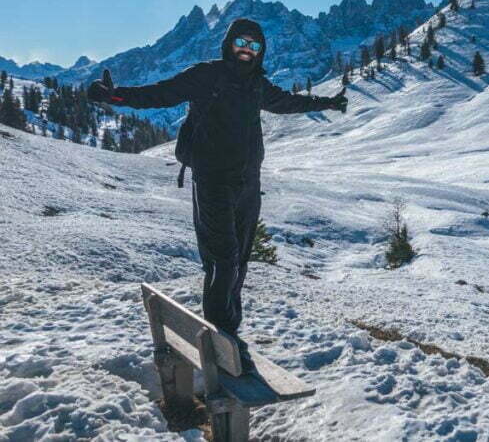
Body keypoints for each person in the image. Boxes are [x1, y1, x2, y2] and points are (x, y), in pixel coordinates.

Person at [87, 18, 347, 371]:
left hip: (248, 183)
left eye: (254, 46)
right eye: (241, 42)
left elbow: (286, 103)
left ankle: (230, 336)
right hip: (211, 181)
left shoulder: (257, 84)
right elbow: (160, 93)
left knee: (239, 260)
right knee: (221, 260)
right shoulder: (206, 75)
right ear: (229, 44)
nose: (247, 50)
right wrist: (114, 96)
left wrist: (328, 103)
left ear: (260, 52)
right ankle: (218, 335)